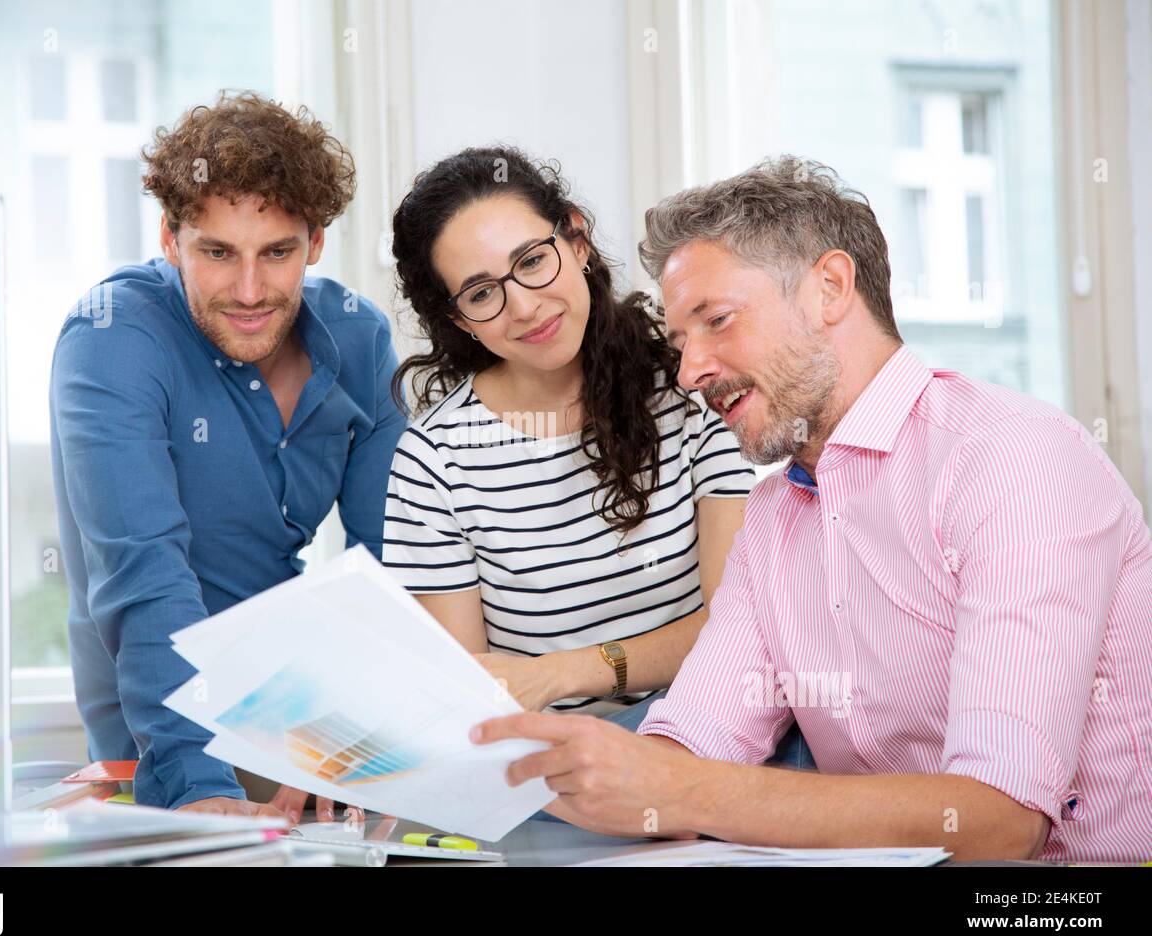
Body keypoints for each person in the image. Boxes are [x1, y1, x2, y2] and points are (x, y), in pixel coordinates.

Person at [472, 156, 1152, 861]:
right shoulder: (775, 517)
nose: (689, 371)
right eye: (679, 343)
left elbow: (1000, 821)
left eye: (718, 321)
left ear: (830, 288)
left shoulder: (1012, 460)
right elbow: (689, 744)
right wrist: (514, 764)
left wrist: (684, 789)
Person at [50, 92, 405, 820]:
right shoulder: (111, 338)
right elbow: (145, 575)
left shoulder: (359, 339)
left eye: (277, 252)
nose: (250, 291)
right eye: (217, 252)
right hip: (161, 739)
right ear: (171, 239)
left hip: (299, 731)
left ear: (315, 243)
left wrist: (370, 741)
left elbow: (393, 564)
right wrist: (196, 785)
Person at [381, 146, 770, 739]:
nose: (525, 306)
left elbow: (737, 625)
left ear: (576, 241)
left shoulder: (691, 387)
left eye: (533, 261)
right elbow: (476, 700)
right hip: (550, 770)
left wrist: (560, 675)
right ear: (458, 318)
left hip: (711, 732)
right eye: (482, 293)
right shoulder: (434, 460)